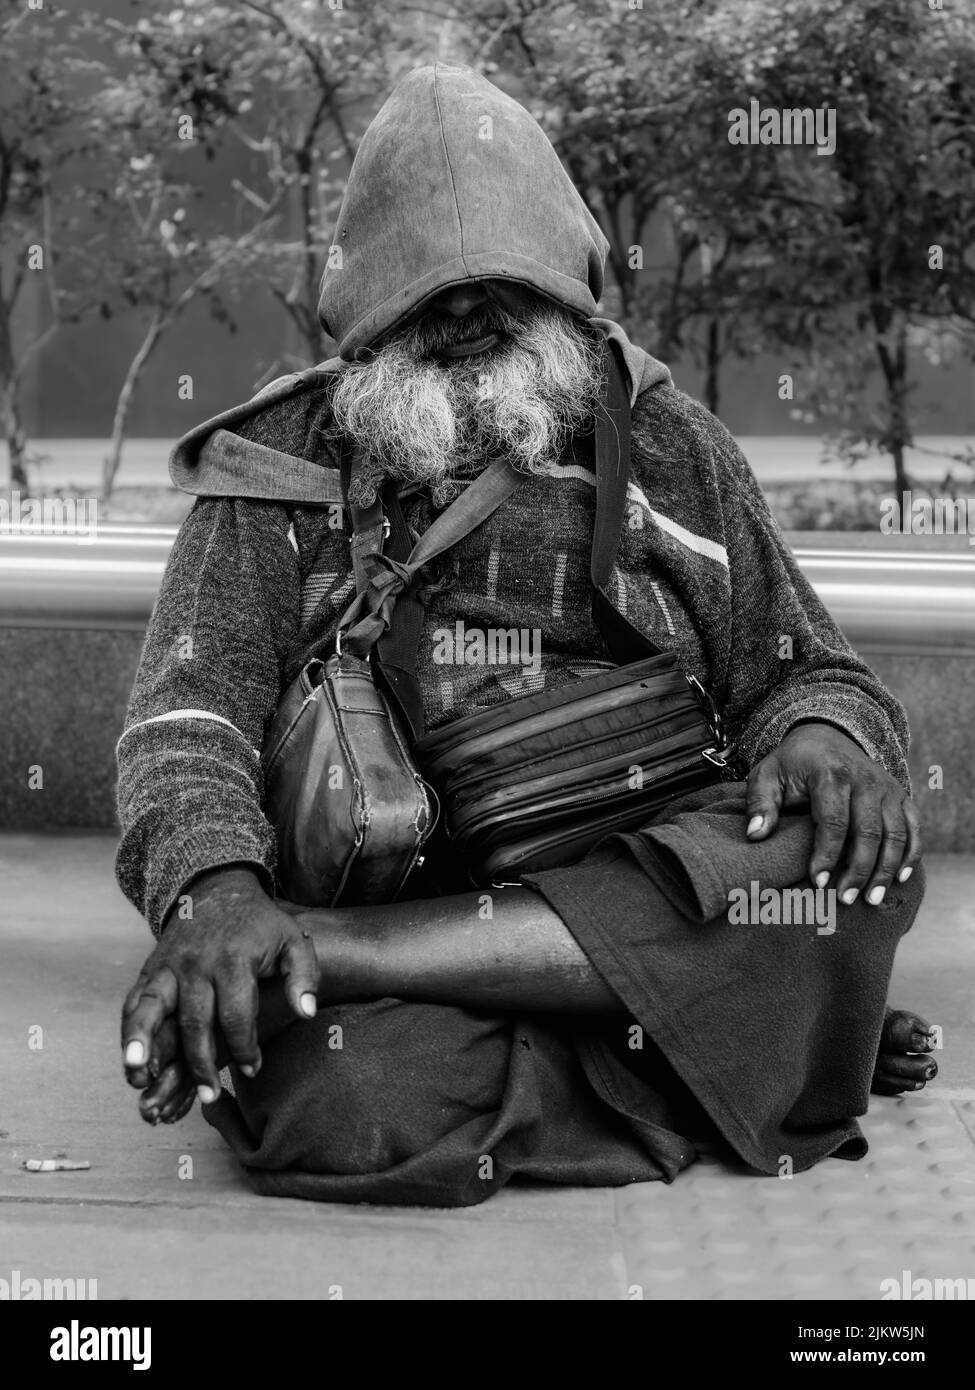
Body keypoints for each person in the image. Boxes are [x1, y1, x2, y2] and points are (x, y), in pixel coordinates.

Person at [116, 65, 937, 1207]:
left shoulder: (669, 442)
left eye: (494, 283)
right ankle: (722, 1025)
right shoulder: (287, 458)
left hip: (651, 859)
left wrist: (824, 734)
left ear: (568, 281)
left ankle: (399, 964)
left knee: (840, 866)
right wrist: (213, 893)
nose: (457, 314)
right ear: (358, 311)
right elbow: (183, 716)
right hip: (412, 894)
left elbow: (810, 670)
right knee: (349, 1110)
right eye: (420, 293)